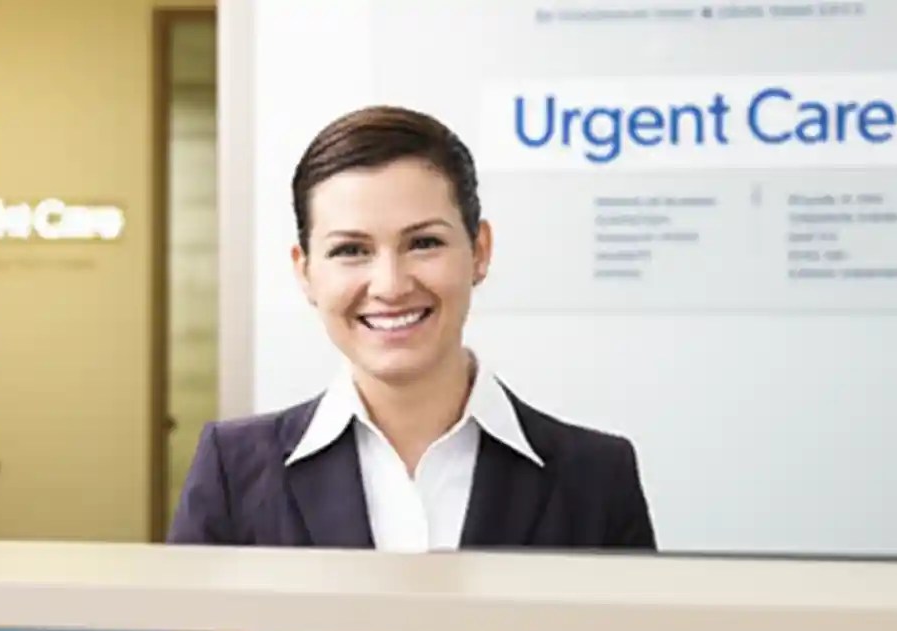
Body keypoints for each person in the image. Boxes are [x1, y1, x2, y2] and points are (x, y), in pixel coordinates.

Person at [168, 105, 656, 551]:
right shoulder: (233, 472)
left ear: (479, 251)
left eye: (423, 242)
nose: (391, 285)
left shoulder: (595, 478)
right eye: (350, 250)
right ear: (305, 272)